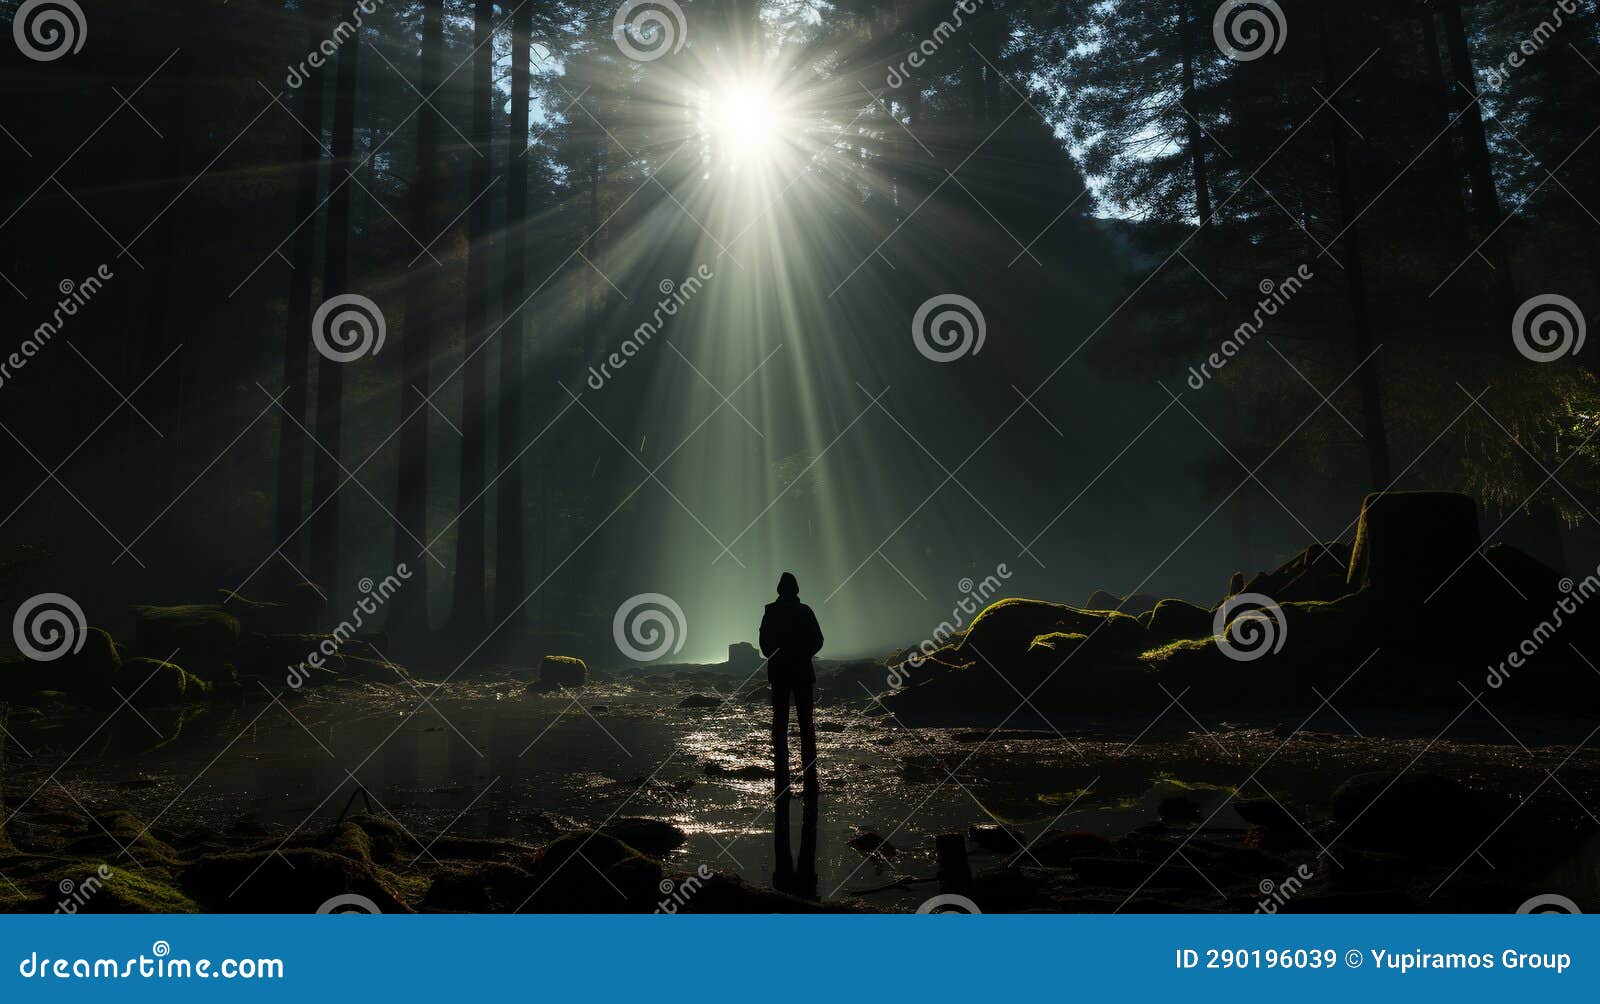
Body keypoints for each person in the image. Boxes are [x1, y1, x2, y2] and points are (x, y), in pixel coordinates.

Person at [758, 572, 823, 797]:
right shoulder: (805, 611)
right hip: (802, 673)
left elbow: (764, 644)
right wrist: (802, 655)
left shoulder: (771, 612)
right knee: (806, 724)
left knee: (780, 723)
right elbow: (818, 640)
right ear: (795, 590)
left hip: (779, 674)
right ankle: (810, 775)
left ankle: (781, 775)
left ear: (779, 590)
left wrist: (778, 657)